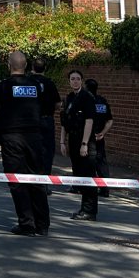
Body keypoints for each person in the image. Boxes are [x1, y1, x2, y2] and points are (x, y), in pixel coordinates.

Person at [0, 50, 51, 236]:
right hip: (34, 136)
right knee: (37, 179)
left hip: (12, 137)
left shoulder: (1, 87)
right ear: (26, 66)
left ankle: (27, 224)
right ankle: (42, 224)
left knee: (17, 181)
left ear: (9, 66)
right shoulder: (36, 85)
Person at [59, 69, 99, 220]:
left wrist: (85, 144)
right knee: (79, 175)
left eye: (78, 79)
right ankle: (84, 208)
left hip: (85, 140)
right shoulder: (70, 98)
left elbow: (89, 121)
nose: (75, 81)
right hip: (73, 139)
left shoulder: (86, 97)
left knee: (88, 176)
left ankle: (89, 211)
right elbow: (64, 122)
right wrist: (62, 142)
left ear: (82, 81)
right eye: (72, 79)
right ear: (69, 81)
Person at [30, 57, 60, 176]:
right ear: (45, 68)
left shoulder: (28, 82)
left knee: (33, 149)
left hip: (32, 120)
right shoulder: (50, 83)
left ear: (32, 68)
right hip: (47, 119)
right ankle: (45, 178)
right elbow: (57, 104)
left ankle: (34, 177)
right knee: (47, 150)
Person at [85, 78, 114, 197]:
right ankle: (104, 189)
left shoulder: (87, 101)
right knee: (102, 162)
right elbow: (109, 121)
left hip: (89, 136)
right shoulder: (102, 101)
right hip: (100, 136)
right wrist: (102, 133)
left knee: (88, 162)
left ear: (86, 88)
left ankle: (86, 187)